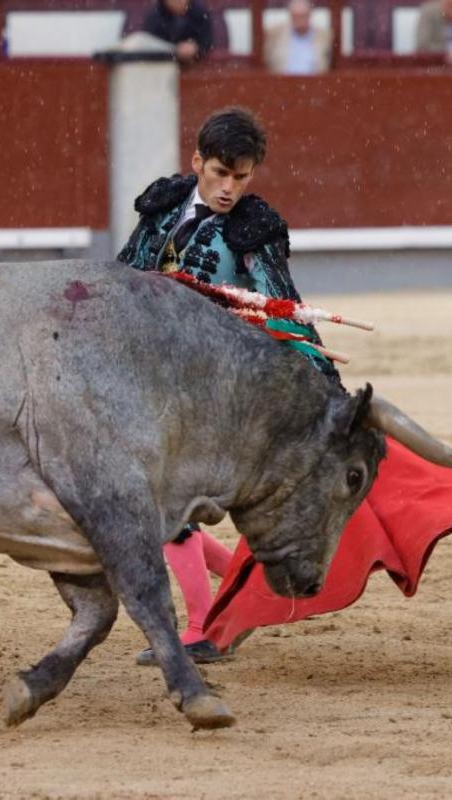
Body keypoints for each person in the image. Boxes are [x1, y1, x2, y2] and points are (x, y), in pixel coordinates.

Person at [116, 107, 339, 664]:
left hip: (214, 387)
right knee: (163, 505)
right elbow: (124, 272)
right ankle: (243, 586)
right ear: (197, 163)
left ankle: (203, 627)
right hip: (150, 372)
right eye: (220, 173)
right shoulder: (163, 204)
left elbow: (283, 306)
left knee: (169, 506)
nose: (229, 189)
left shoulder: (253, 229)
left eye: (242, 178)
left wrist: (325, 383)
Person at [264, 0, 332, 75]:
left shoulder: (324, 36)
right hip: (283, 83)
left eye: (303, 16)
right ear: (290, 15)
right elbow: (268, 61)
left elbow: (327, 64)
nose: (299, 20)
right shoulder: (276, 35)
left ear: (310, 15)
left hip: (315, 83)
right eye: (296, 16)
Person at [141, 0, 215, 65]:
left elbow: (208, 40)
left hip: (197, 67)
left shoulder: (199, 12)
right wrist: (174, 50)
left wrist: (196, 48)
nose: (179, 1)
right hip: (162, 67)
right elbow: (150, 46)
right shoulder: (154, 17)